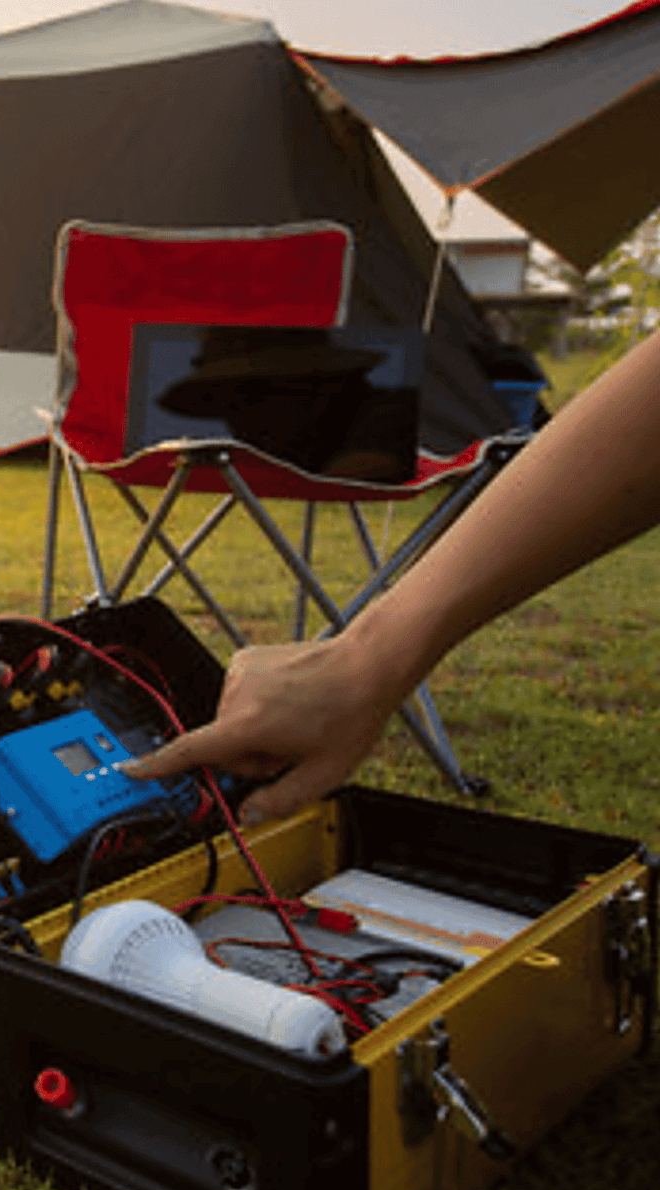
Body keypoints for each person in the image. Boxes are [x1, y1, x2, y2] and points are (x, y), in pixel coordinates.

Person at [123, 329, 660, 824]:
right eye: (231, 403)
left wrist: (368, 655)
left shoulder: (377, 421)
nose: (247, 417)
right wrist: (367, 656)